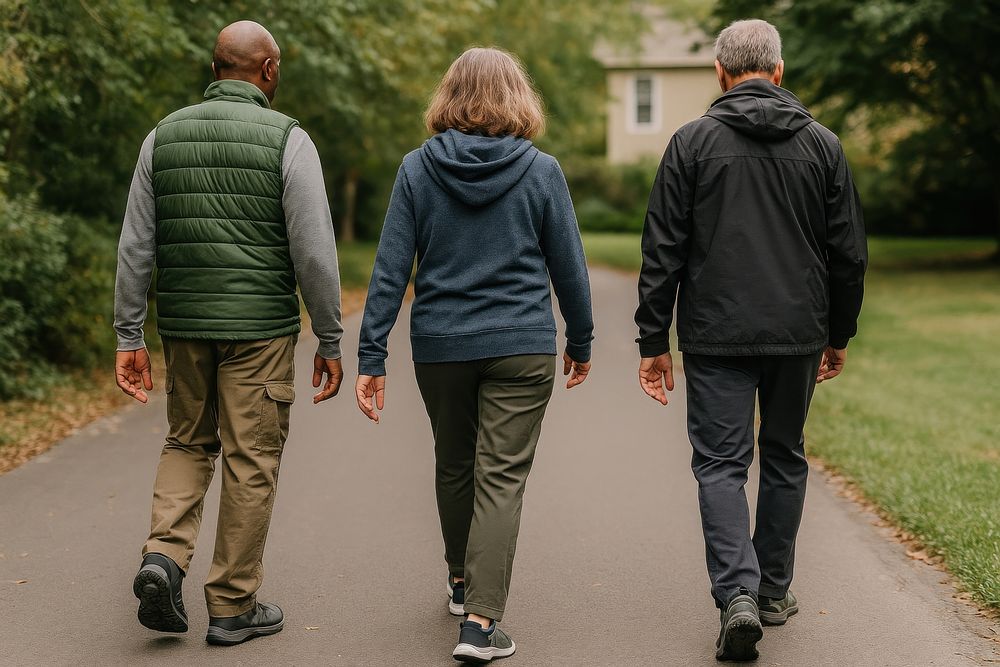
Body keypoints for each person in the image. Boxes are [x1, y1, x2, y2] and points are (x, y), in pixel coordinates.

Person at [634, 19, 867, 662]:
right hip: (797, 334)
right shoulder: (823, 146)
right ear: (779, 71)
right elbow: (848, 254)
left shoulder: (690, 144)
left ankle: (736, 594)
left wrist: (653, 338)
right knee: (785, 454)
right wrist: (837, 332)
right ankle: (770, 592)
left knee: (720, 464)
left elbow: (662, 251)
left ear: (720, 72)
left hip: (715, 334)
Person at [355, 47, 594, 664]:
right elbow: (570, 267)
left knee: (455, 464)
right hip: (521, 343)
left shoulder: (417, 169)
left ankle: (463, 583)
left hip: (441, 344)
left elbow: (390, 269)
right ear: (520, 98)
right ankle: (482, 625)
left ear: (449, 97)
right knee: (501, 479)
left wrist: (371, 355)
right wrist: (582, 340)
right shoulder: (541, 171)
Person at [113, 20, 344, 646]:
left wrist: (128, 334)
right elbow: (316, 255)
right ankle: (232, 605)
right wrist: (329, 338)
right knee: (251, 458)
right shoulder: (289, 140)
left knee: (188, 442)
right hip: (260, 332)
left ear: (215, 68)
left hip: (185, 327)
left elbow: (136, 246)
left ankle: (163, 557)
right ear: (267, 71)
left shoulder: (161, 137)